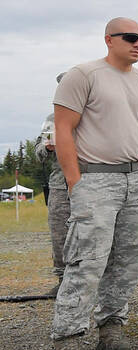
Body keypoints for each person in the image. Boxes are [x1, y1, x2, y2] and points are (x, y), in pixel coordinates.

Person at [49, 18, 138, 350]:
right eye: (130, 37)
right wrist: (76, 182)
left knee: (129, 261)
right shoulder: (83, 76)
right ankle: (67, 336)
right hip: (96, 179)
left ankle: (112, 327)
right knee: (87, 260)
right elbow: (63, 130)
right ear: (108, 39)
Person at [36, 74, 69, 295]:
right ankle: (63, 280)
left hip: (94, 183)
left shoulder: (96, 114)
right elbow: (38, 152)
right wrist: (46, 148)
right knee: (60, 235)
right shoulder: (52, 118)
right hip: (60, 185)